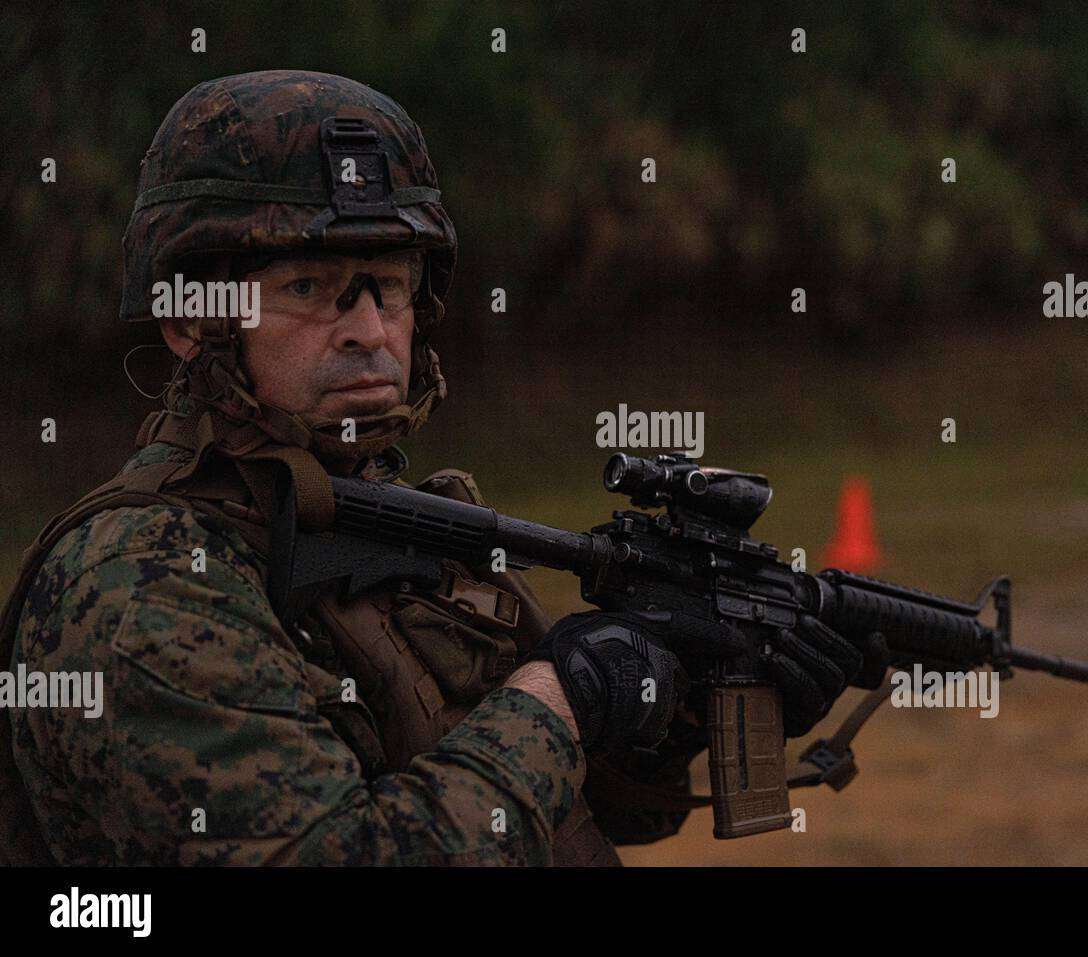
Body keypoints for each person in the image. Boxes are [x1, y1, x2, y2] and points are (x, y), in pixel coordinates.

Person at [0, 70, 862, 866]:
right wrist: (559, 696)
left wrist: (682, 709)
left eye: (389, 285)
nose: (369, 330)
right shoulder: (142, 580)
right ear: (190, 320)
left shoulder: (383, 523)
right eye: (309, 285)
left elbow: (577, 809)